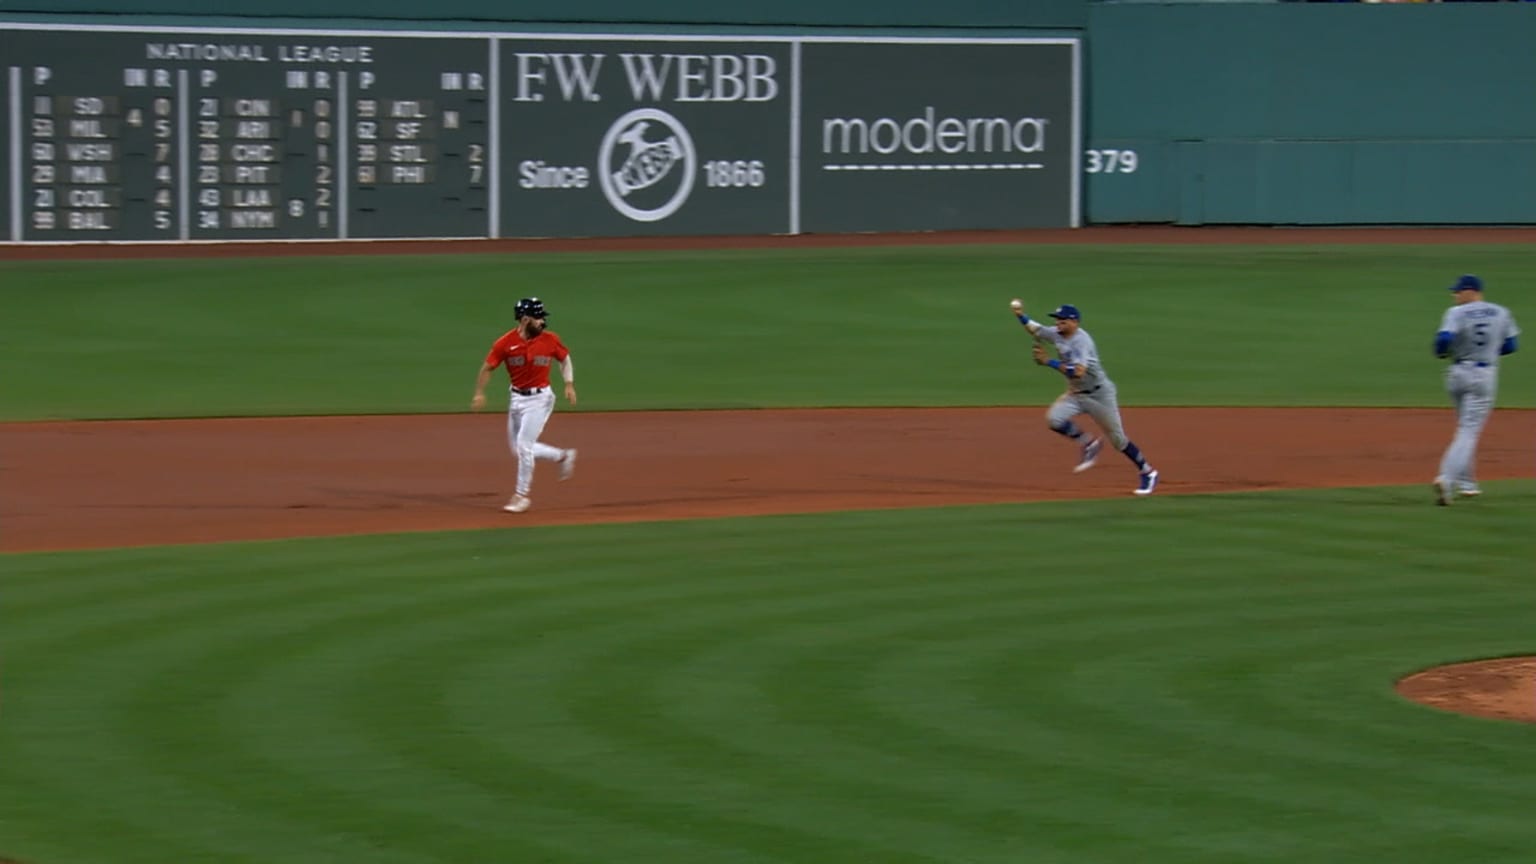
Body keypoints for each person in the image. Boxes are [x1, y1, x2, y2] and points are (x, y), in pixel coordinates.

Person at [1009, 298, 1159, 495]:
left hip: (1100, 395)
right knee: (1054, 419)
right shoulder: (1057, 334)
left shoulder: (1082, 342)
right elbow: (1035, 329)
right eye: (1057, 320)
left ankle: (1148, 472)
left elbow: (1078, 372)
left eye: (1063, 320)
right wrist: (1021, 315)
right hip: (1076, 394)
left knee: (1118, 440)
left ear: (1075, 322)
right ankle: (1088, 443)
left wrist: (1048, 362)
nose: (1058, 323)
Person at [470, 297, 579, 513]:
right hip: (517, 399)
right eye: (538, 318)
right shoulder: (505, 343)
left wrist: (569, 383)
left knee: (523, 445)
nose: (542, 322)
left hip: (540, 399)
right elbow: (487, 368)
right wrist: (479, 393)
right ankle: (563, 456)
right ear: (525, 319)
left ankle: (521, 496)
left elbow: (565, 359)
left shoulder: (550, 340)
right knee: (518, 448)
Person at [1431, 274, 1520, 505]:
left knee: (1464, 429)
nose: (1455, 295)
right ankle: (1446, 479)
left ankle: (1468, 484)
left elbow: (1442, 340)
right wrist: (1490, 351)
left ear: (1471, 291)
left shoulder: (1455, 313)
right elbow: (1511, 345)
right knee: (1468, 432)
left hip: (1458, 373)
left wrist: (1442, 353)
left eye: (1458, 291)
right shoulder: (1501, 312)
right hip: (1484, 375)